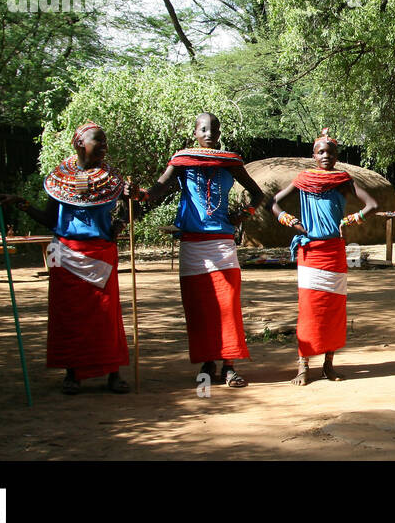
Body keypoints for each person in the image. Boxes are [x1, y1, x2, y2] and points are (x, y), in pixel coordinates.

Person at [0, 122, 130, 395]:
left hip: (100, 251)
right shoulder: (59, 178)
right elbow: (49, 219)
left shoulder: (113, 179)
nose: (104, 146)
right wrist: (22, 203)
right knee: (69, 315)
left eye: (105, 141)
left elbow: (126, 211)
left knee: (106, 316)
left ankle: (113, 372)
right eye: (99, 141)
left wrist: (120, 223)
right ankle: (73, 373)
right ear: (81, 144)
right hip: (65, 253)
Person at [136, 113, 264, 388]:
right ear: (194, 132)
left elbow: (257, 193)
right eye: (203, 128)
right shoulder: (181, 161)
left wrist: (244, 214)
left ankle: (229, 365)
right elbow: (158, 189)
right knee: (200, 308)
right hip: (193, 244)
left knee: (227, 305)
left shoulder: (230, 161)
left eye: (214, 129)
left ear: (219, 132)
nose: (209, 133)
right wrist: (140, 195)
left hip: (221, 243)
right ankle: (207, 363)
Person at [271, 129, 379, 385]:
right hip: (310, 251)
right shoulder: (303, 179)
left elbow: (372, 205)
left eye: (330, 152)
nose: (326, 156)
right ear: (313, 155)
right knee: (309, 310)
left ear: (337, 155)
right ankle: (303, 365)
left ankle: (328, 364)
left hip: (334, 251)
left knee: (333, 310)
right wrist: (291, 221)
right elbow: (273, 202)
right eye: (321, 152)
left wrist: (349, 219)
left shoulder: (343, 180)